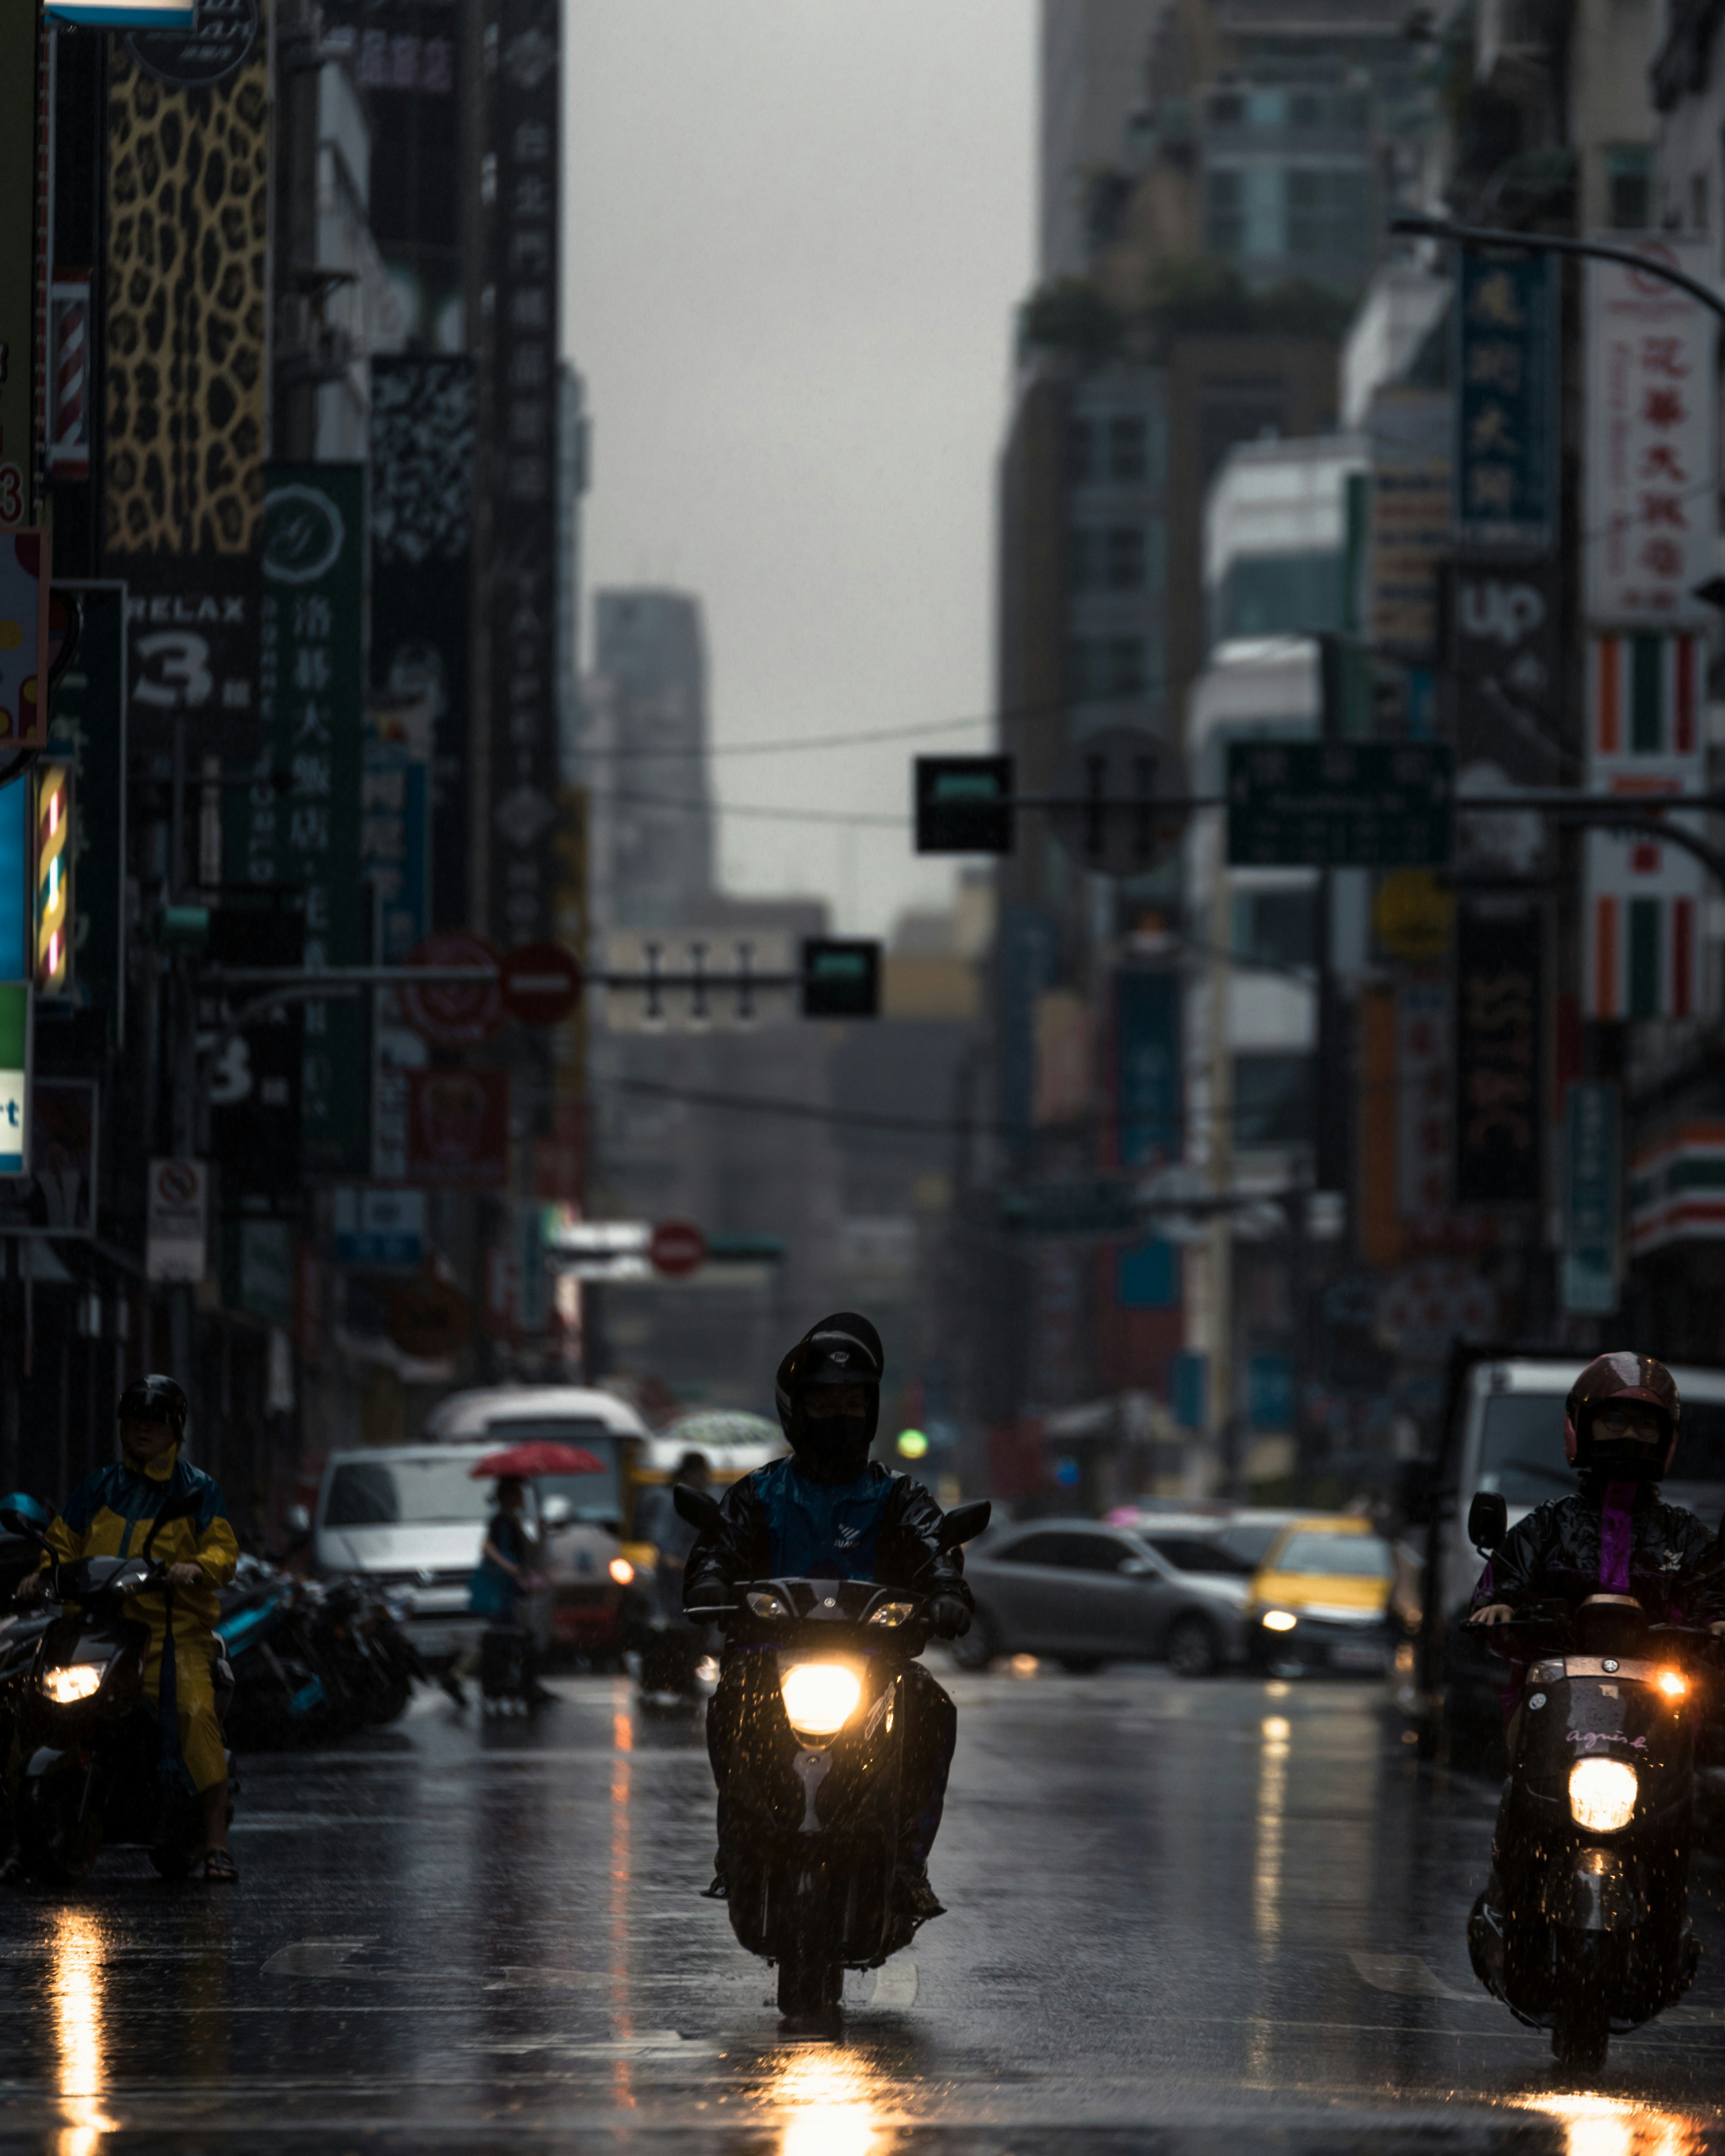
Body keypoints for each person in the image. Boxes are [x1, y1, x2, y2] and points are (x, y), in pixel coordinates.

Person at [684, 1312, 973, 1920]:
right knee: (726, 1701)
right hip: (766, 1658)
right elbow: (718, 1546)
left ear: (870, 1410)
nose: (839, 1415)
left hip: (876, 1666)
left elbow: (931, 1546)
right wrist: (710, 1579)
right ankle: (736, 1842)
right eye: (824, 1402)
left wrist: (946, 1590)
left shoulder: (899, 1497)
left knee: (935, 1709)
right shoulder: (759, 1494)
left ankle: (907, 1863)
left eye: (851, 1401)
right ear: (797, 1409)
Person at [1466, 1352, 1725, 1947]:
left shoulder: (1686, 1536)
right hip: (1552, 1698)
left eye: (1645, 1425)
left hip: (1657, 1703)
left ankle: (1667, 1924)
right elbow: (1501, 1585)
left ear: (1667, 1439)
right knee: (1524, 1795)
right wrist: (1498, 1608)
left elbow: (1715, 1594)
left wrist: (1717, 1624)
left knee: (1678, 1807)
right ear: (1580, 1427)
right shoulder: (1545, 1526)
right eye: (1615, 1421)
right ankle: (1510, 1903)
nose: (1629, 1435)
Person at [18, 1375, 240, 1881]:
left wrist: (197, 1567)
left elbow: (223, 1550)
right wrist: (41, 1572)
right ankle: (15, 1838)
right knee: (30, 1707)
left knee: (193, 1711)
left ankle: (215, 1841)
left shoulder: (198, 1489)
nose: (144, 1429)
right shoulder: (97, 1486)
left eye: (156, 1420)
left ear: (176, 1428)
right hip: (96, 1626)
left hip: (170, 1632)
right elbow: (61, 1542)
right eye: (135, 1419)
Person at [469, 1477, 552, 1711]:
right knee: (502, 1639)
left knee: (515, 1638)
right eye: (518, 1494)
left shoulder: (513, 1521)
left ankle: (522, 1685)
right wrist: (510, 1568)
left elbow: (530, 1549)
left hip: (512, 1589)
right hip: (501, 1589)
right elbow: (487, 1547)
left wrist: (542, 1530)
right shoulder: (499, 1520)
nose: (522, 1498)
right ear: (509, 1496)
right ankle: (503, 1686)